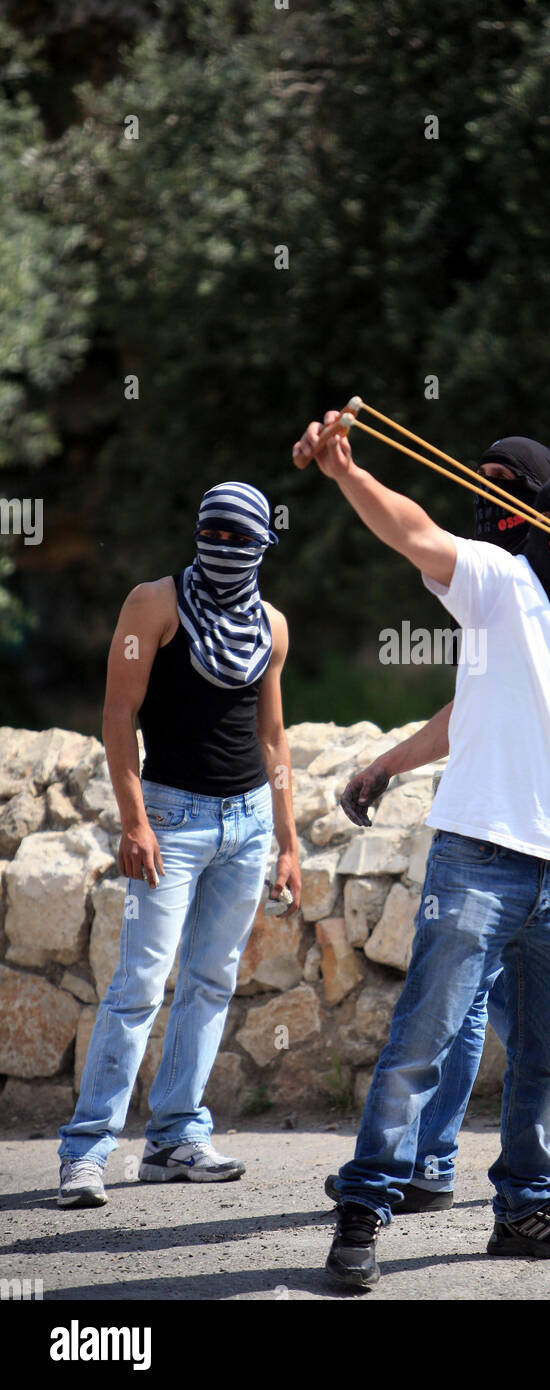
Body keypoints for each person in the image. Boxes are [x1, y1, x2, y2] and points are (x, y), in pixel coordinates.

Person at [293, 412, 550, 1289]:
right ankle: (366, 1206)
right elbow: (410, 527)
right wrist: (344, 472)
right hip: (475, 863)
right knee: (424, 1037)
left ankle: (525, 1205)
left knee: (543, 1056)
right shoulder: (498, 584)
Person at [330, 436, 550, 1216]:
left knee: (473, 1013)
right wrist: (388, 764)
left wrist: (345, 469)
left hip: (531, 851)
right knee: (494, 1009)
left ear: (547, 518)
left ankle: (430, 1163)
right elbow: (467, 709)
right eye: (481, 486)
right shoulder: (502, 587)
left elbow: (412, 531)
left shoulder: (536, 593)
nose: (487, 501)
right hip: (497, 846)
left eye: (506, 490)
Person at [57, 482, 301, 1208]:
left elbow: (273, 738)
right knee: (138, 985)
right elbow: (118, 713)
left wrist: (286, 841)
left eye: (240, 539)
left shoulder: (274, 626)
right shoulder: (152, 605)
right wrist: (135, 821)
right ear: (198, 533)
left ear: (263, 545)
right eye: (213, 534)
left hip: (247, 823)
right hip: (172, 820)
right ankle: (86, 1151)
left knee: (210, 982)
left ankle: (173, 1138)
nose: (225, 550)